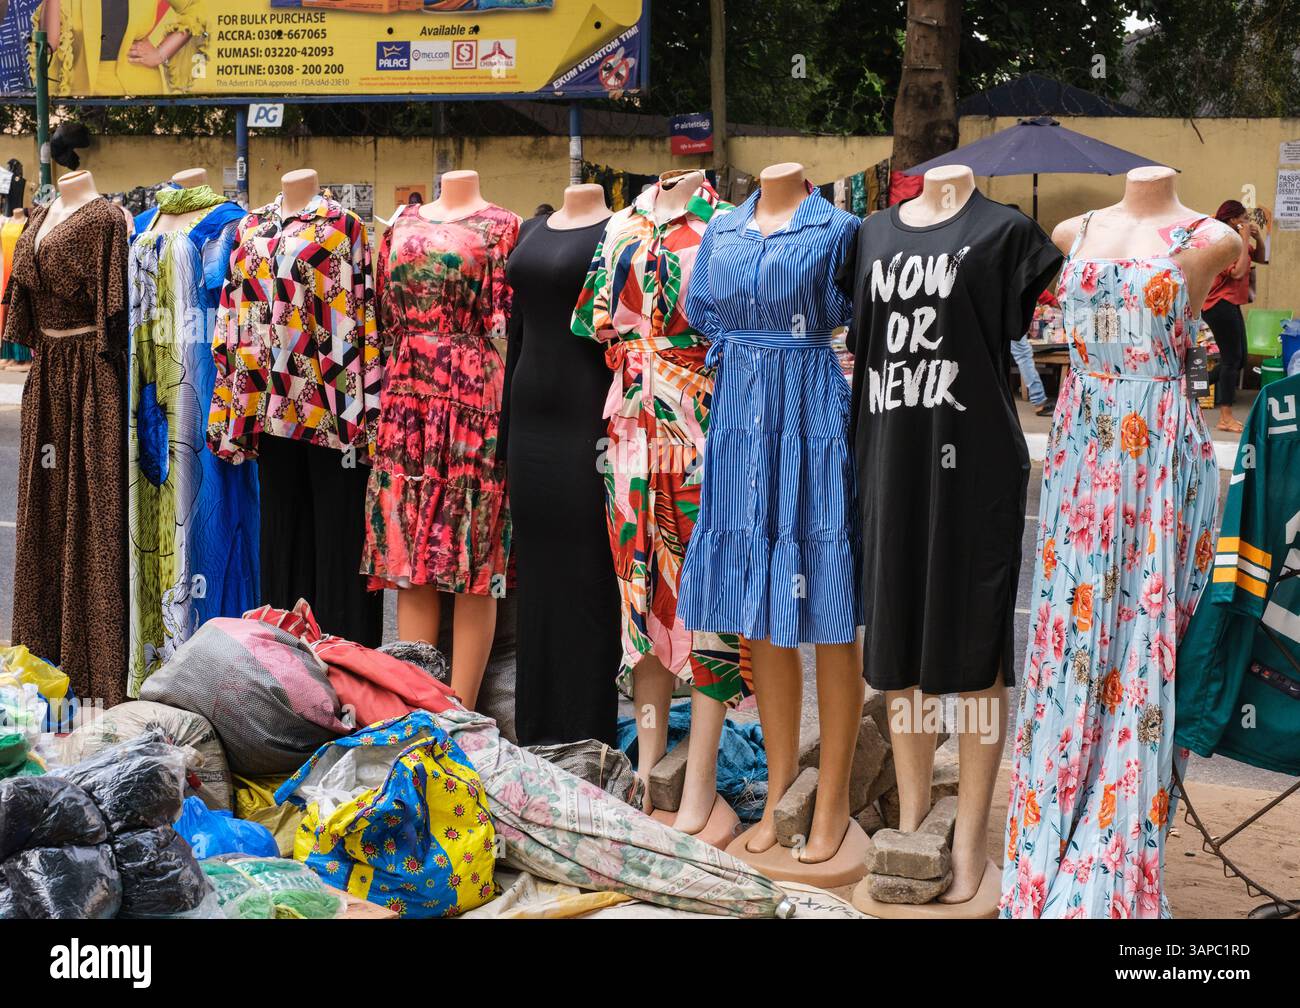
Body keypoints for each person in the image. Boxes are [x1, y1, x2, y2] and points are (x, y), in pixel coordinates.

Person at [1202, 198, 1266, 433]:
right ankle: (1225, 418)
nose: (1248, 222)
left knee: (1239, 359)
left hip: (1232, 305)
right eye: (1244, 218)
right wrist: (1244, 238)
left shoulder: (1237, 241)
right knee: (1230, 360)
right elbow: (1238, 273)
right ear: (1233, 221)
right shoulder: (1224, 243)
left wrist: (1257, 238)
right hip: (1219, 305)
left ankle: (1192, 386)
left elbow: (1260, 258)